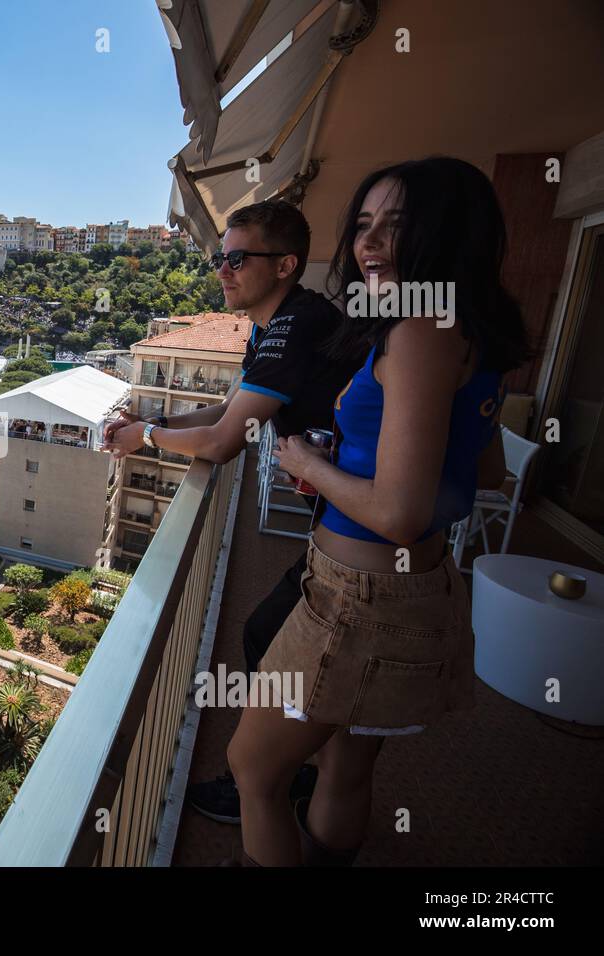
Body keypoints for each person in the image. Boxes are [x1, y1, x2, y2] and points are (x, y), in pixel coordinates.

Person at [227, 157, 529, 866]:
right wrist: (358, 469)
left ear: (449, 235)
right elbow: (485, 471)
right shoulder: (471, 331)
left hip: (360, 600)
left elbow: (396, 511)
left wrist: (311, 467)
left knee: (253, 767)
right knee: (346, 765)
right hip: (417, 587)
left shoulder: (420, 329)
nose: (369, 244)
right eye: (363, 226)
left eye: (397, 226)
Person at [103, 199, 365, 823]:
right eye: (220, 256)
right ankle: (311, 764)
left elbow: (222, 445)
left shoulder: (294, 328)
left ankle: (277, 768)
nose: (222, 268)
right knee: (273, 638)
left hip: (359, 528)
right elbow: (227, 412)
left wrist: (144, 439)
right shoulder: (281, 323)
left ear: (286, 266)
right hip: (345, 518)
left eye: (237, 258)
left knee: (265, 634)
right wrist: (155, 422)